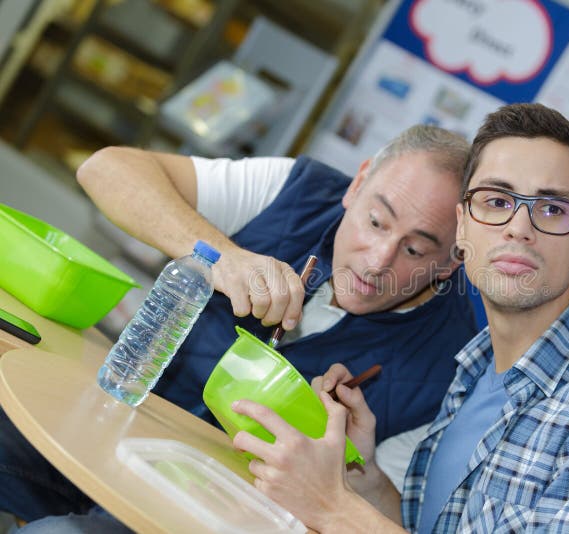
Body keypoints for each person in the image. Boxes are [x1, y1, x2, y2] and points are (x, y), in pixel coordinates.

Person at [230, 103, 569, 533]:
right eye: (497, 201)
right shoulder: (473, 369)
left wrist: (334, 509)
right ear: (462, 229)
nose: (519, 227)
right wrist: (361, 476)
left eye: (552, 209)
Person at [0, 125, 478, 523]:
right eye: (375, 222)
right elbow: (104, 168)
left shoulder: (451, 370)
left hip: (198, 514)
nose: (377, 261)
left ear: (452, 261)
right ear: (358, 185)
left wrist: (355, 468)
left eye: (415, 250)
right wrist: (224, 256)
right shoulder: (297, 191)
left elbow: (385, 521)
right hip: (106, 424)